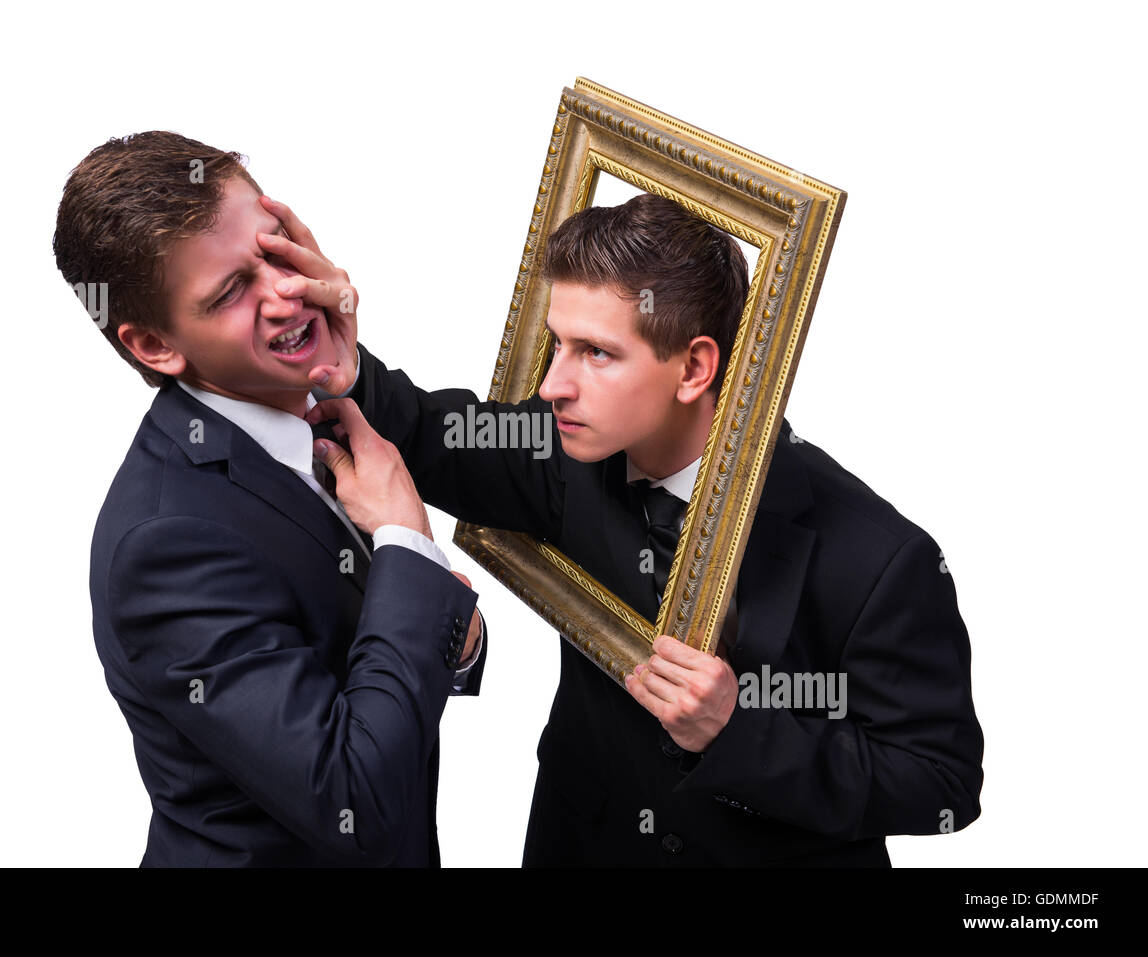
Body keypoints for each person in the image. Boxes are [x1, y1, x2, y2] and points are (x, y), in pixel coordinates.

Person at [310, 193, 985, 866]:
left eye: (596, 353)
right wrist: (339, 354)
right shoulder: (563, 454)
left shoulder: (881, 557)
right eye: (558, 344)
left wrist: (738, 729)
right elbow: (433, 433)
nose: (552, 385)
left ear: (694, 368)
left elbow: (941, 780)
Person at [53, 131, 486, 866]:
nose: (287, 291)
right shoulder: (167, 545)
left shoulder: (313, 415)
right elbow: (356, 799)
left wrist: (459, 635)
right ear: (156, 346)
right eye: (230, 292)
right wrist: (410, 547)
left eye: (276, 246)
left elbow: (374, 647)